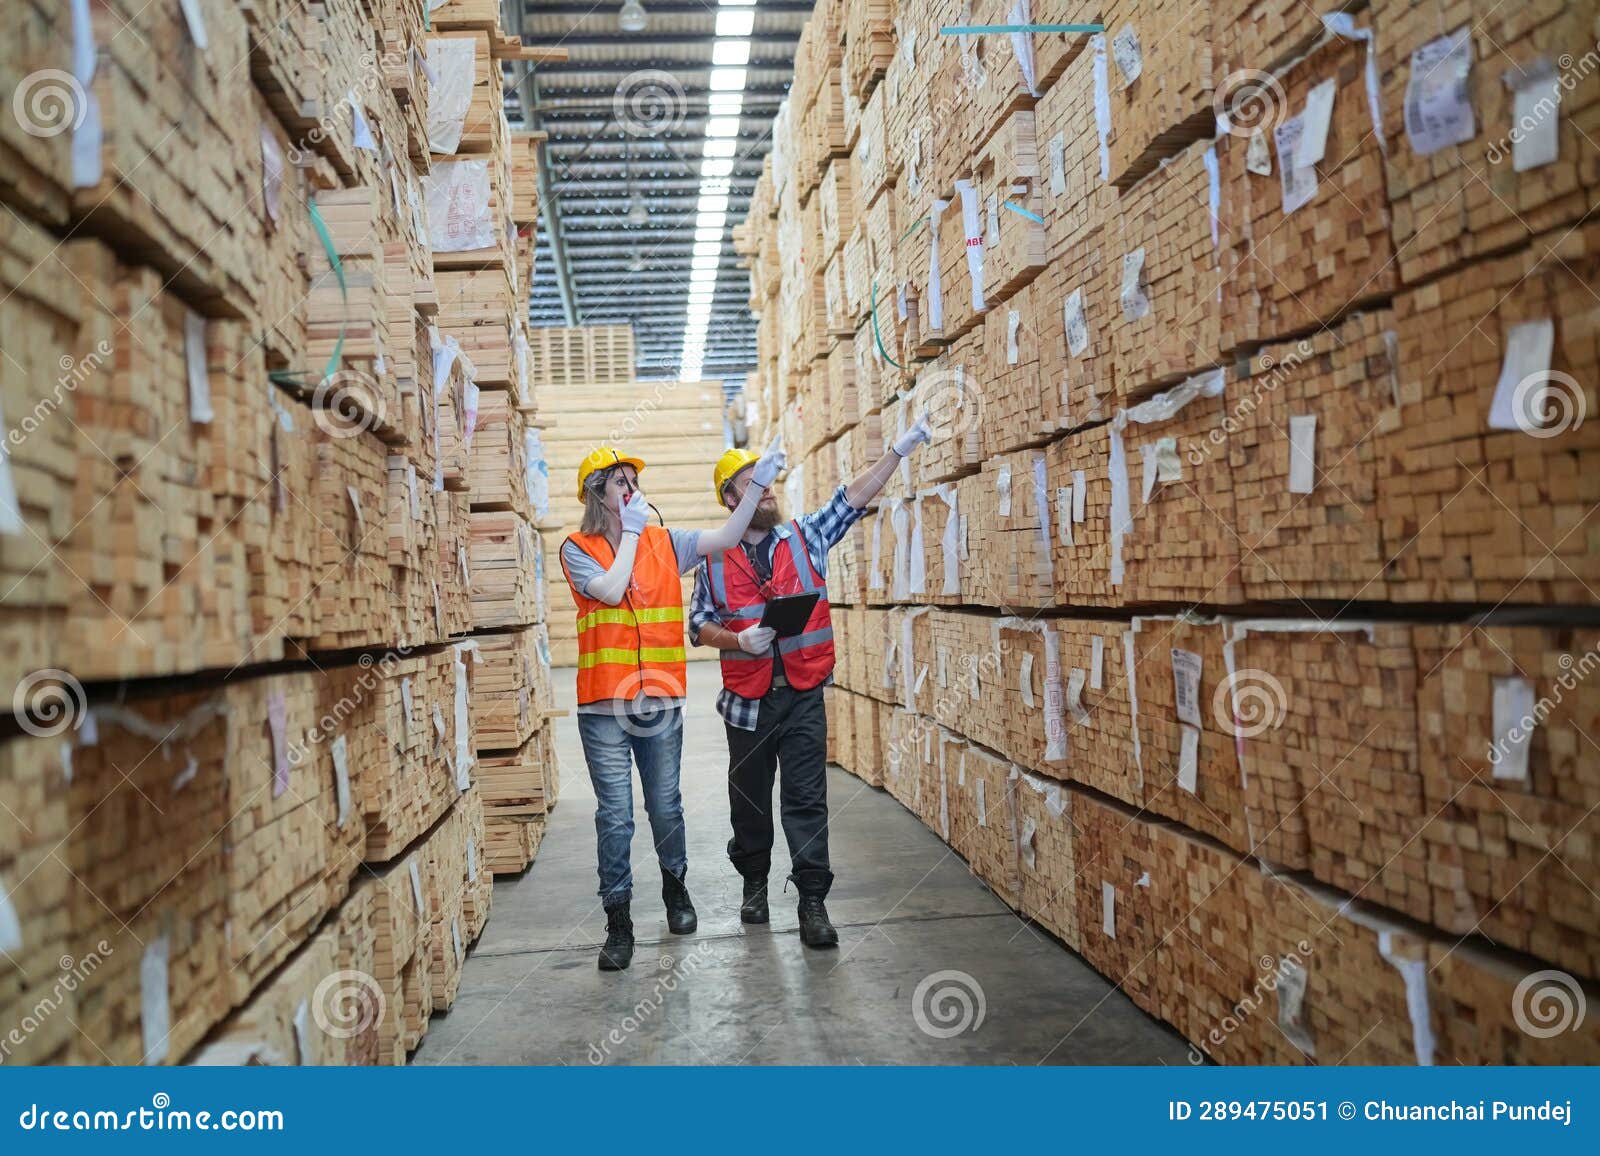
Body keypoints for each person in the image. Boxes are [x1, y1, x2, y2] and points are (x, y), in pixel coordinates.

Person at [689, 415, 934, 947]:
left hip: (802, 695)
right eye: (751, 483)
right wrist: (736, 641)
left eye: (768, 479)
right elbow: (698, 624)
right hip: (746, 703)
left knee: (806, 797)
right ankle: (754, 881)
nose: (766, 489)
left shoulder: (805, 536)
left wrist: (896, 451)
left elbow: (851, 498)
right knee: (749, 801)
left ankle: (812, 901)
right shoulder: (710, 559)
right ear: (732, 500)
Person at [560, 442, 784, 971]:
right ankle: (618, 922)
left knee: (665, 806)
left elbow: (727, 536)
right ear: (597, 494)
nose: (631, 489)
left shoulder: (668, 541)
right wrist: (633, 533)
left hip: (659, 702)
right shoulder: (576, 547)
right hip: (604, 707)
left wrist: (756, 485)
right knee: (615, 817)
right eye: (619, 482)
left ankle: (675, 887)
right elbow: (612, 592)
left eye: (633, 480)